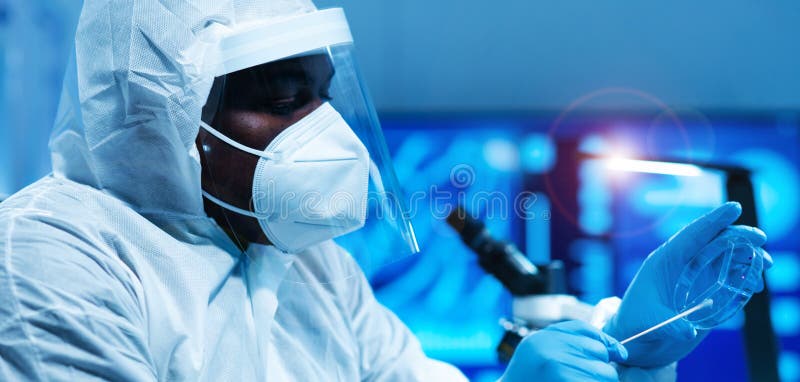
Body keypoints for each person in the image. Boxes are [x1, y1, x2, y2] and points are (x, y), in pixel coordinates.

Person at [0, 0, 769, 381]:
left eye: (325, 96)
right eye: (282, 98)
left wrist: (635, 352)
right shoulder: (54, 259)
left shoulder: (309, 268)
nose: (325, 133)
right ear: (163, 116)